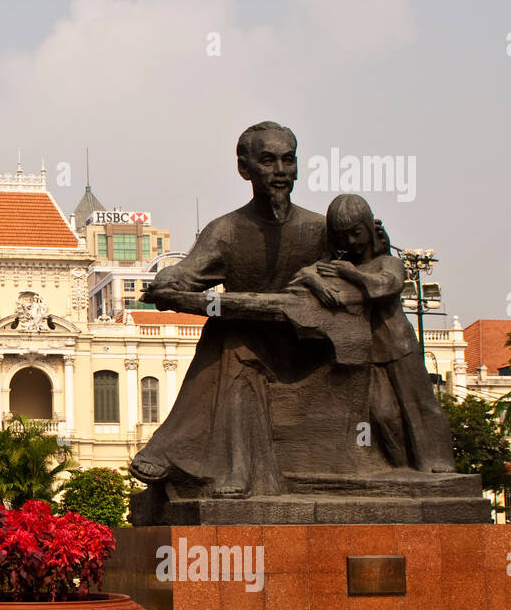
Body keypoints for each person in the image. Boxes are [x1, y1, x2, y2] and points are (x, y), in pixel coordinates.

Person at [130, 121, 328, 497]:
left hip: (310, 346)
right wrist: (171, 279)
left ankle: (179, 452)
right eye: (268, 161)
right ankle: (221, 465)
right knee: (229, 335)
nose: (281, 171)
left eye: (289, 160)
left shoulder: (319, 230)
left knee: (233, 338)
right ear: (244, 168)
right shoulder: (228, 230)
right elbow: (188, 273)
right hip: (251, 342)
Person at [298, 194, 455, 472]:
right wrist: (318, 279)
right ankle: (400, 466)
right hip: (367, 351)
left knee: (420, 405)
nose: (351, 242)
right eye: (343, 236)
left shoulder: (387, 263)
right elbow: (305, 275)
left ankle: (438, 463)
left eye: (356, 233)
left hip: (398, 346)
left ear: (370, 228)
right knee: (381, 412)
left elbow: (387, 286)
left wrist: (351, 275)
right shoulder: (342, 267)